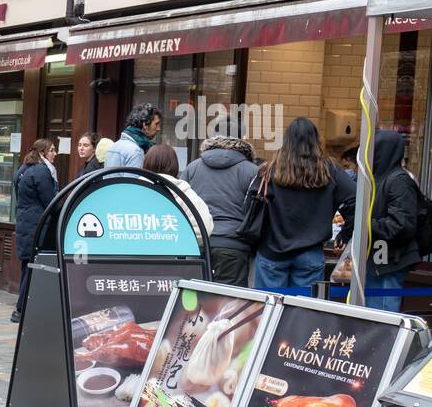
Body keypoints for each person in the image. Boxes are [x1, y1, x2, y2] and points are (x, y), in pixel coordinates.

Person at [252, 117, 355, 291]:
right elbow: (355, 199)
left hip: (271, 251)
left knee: (268, 312)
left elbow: (251, 204)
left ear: (287, 140)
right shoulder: (330, 169)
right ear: (315, 140)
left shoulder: (269, 170)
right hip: (310, 253)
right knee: (302, 313)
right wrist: (345, 234)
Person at [181, 136, 260, 285]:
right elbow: (256, 211)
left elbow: (182, 203)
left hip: (198, 243)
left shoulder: (192, 167)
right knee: (229, 303)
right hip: (234, 244)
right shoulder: (252, 171)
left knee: (195, 298)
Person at [362, 130, 421, 311]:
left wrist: (365, 225)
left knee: (382, 315)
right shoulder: (378, 178)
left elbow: (401, 225)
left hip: (390, 262)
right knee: (373, 314)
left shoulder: (399, 181)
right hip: (378, 259)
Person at [12, 138, 59, 323]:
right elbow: (50, 202)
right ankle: (20, 309)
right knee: (31, 266)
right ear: (42, 153)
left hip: (25, 223)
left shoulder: (24, 168)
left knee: (27, 266)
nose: (55, 153)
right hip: (37, 226)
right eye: (52, 150)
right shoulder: (42, 171)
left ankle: (23, 307)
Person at [141, 143, 214, 236]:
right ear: (174, 165)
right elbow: (205, 228)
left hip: (137, 249)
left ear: (146, 162)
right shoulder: (184, 192)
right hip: (177, 249)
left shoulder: (133, 190)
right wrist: (177, 237)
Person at [104, 103, 162, 169]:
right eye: (156, 124)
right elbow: (133, 179)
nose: (159, 128)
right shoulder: (136, 151)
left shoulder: (114, 146)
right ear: (145, 124)